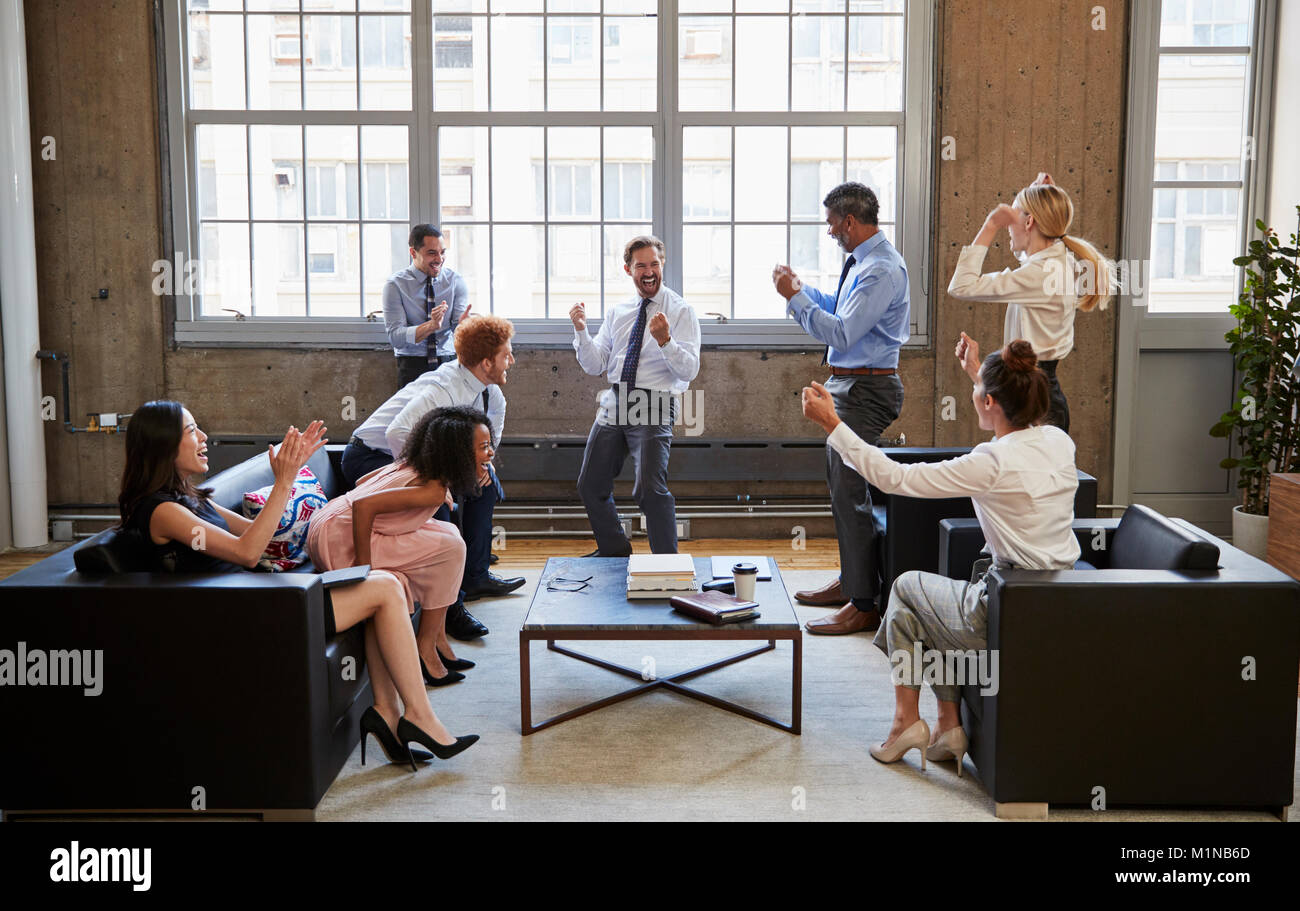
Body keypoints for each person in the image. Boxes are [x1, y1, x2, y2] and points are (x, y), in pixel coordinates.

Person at [118, 400, 477, 767]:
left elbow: (263, 534)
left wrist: (287, 481)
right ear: (162, 444)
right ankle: (418, 715)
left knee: (389, 582)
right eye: (192, 430)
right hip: (247, 614)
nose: (204, 437)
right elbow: (246, 552)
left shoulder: (190, 500)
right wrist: (286, 481)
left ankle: (387, 711)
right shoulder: (162, 511)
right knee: (384, 586)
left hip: (259, 599)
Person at [800, 337, 1080, 774]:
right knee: (929, 604)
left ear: (988, 401)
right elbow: (1012, 411)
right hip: (1055, 600)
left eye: (978, 392)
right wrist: (978, 373)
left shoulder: (991, 461)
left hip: (1007, 610)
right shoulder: (1059, 442)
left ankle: (905, 723)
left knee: (906, 590)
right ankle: (946, 725)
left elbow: (892, 477)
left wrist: (833, 424)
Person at [772, 182, 910, 635]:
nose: (829, 230)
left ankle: (864, 603)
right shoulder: (863, 263)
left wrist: (793, 300)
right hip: (851, 385)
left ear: (849, 221)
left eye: (831, 222)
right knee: (841, 488)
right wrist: (803, 290)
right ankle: (853, 582)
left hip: (868, 390)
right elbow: (840, 310)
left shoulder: (881, 269)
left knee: (851, 491)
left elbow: (843, 334)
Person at [341, 314, 524, 645]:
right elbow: (397, 432)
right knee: (438, 501)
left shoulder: (490, 392)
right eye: (506, 354)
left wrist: (483, 468)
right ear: (486, 363)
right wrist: (431, 479)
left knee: (486, 487)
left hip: (411, 454)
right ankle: (449, 607)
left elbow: (490, 437)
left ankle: (476, 575)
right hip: (371, 455)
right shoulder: (444, 389)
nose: (512, 359)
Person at [309, 407, 491, 688]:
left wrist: (406, 512)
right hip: (338, 542)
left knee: (448, 533)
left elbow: (361, 484)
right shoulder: (430, 488)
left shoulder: (414, 464)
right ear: (458, 453)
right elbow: (363, 505)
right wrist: (363, 572)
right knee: (451, 547)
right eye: (484, 447)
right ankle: (427, 646)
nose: (491, 453)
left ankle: (437, 638)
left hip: (327, 524)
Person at [945, 172, 1118, 433]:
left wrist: (990, 225)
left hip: (1035, 403)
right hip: (1037, 395)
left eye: (1012, 220)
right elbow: (1033, 257)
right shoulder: (1058, 262)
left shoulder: (1040, 273)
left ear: (1029, 223)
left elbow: (961, 285)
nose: (1007, 228)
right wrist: (1036, 197)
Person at [569, 235, 701, 556]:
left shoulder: (681, 311)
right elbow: (595, 363)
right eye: (641, 265)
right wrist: (581, 331)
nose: (649, 271)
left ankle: (667, 564)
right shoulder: (618, 312)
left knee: (649, 491)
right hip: (616, 399)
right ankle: (615, 549)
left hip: (655, 400)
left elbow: (689, 370)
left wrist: (666, 340)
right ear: (628, 269)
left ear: (662, 264)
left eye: (654, 263)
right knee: (590, 483)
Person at [383, 224, 471, 389]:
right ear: (413, 253)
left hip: (448, 361)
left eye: (442, 252)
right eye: (432, 253)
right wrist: (431, 326)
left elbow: (459, 329)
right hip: (412, 364)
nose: (439, 259)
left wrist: (466, 326)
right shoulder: (395, 285)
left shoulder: (455, 281)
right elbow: (396, 338)